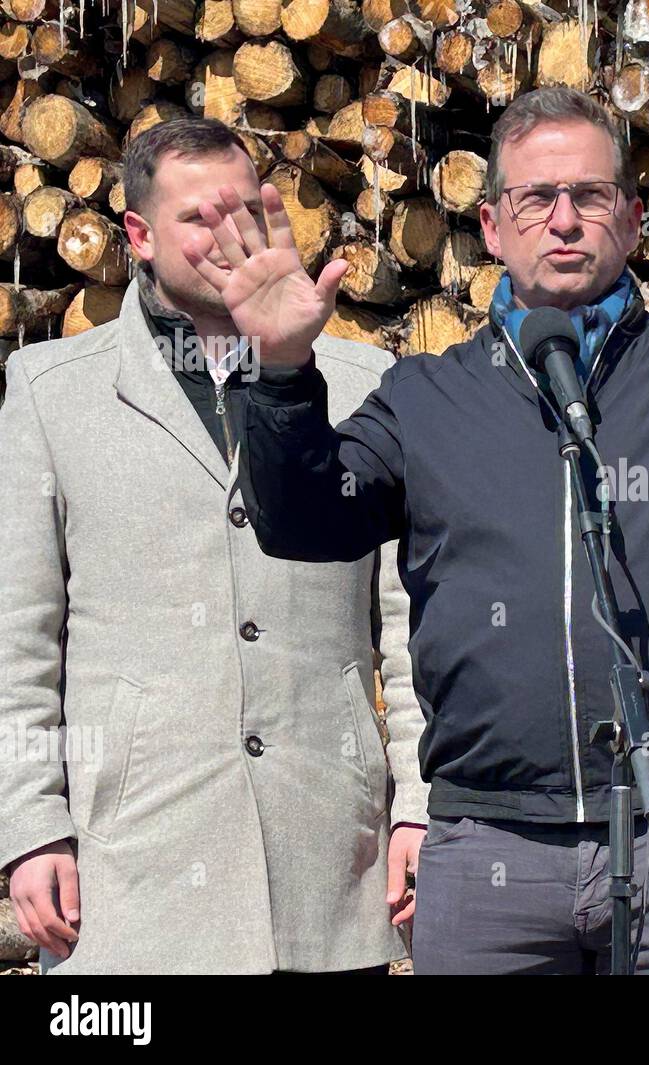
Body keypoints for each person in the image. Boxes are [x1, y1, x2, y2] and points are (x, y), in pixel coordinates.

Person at [193, 86, 649, 974]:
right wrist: (286, 374)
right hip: (492, 845)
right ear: (491, 225)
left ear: (636, 222)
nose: (564, 220)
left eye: (591, 197)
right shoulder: (427, 397)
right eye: (535, 199)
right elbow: (302, 523)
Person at [0, 118, 428, 974]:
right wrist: (30, 822)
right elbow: (18, 638)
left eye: (242, 212)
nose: (227, 237)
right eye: (197, 218)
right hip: (131, 869)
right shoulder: (52, 395)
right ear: (138, 235)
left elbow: (410, 621)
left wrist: (419, 802)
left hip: (326, 863)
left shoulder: (362, 385)